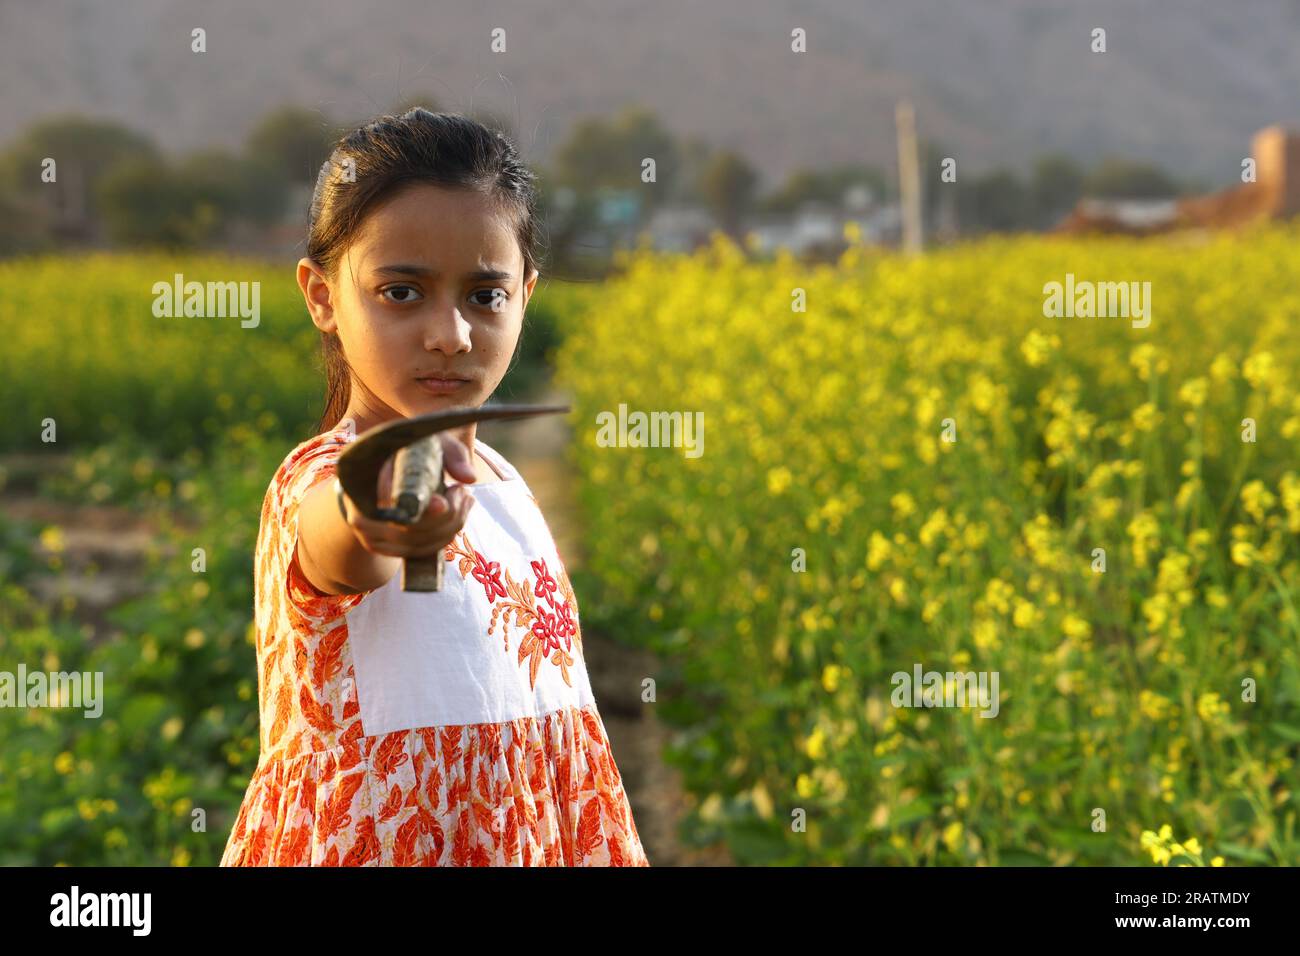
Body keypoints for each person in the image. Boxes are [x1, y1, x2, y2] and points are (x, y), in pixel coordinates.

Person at [220, 109, 648, 866]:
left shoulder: (508, 488)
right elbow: (342, 542)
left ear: (526, 296)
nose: (450, 333)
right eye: (401, 292)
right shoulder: (319, 480)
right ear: (321, 297)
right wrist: (378, 514)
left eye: (485, 295)